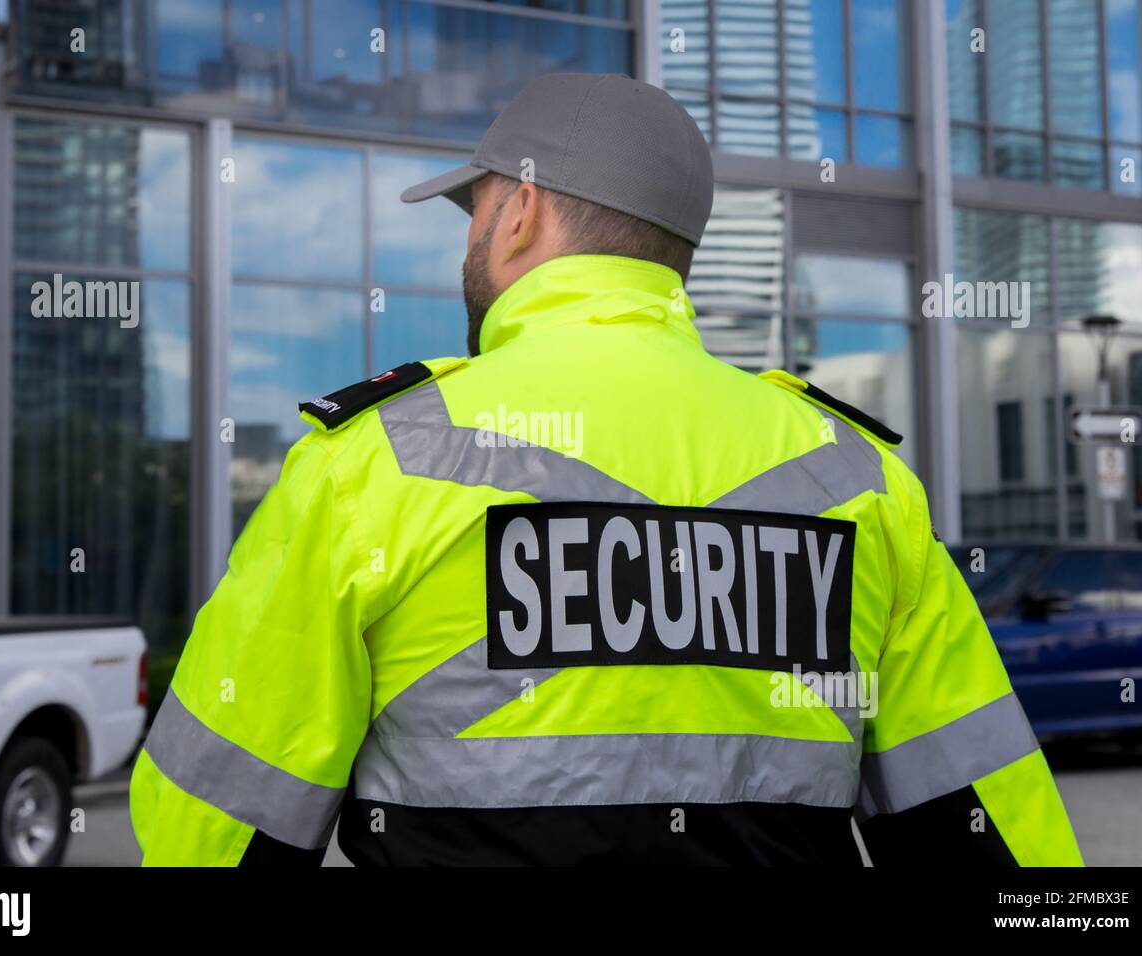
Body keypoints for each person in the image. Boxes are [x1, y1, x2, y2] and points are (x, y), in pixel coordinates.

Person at [130, 72, 1082, 866]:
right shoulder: (857, 480)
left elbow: (212, 822)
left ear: (521, 215)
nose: (471, 239)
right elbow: (993, 835)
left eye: (476, 212)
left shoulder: (372, 464)